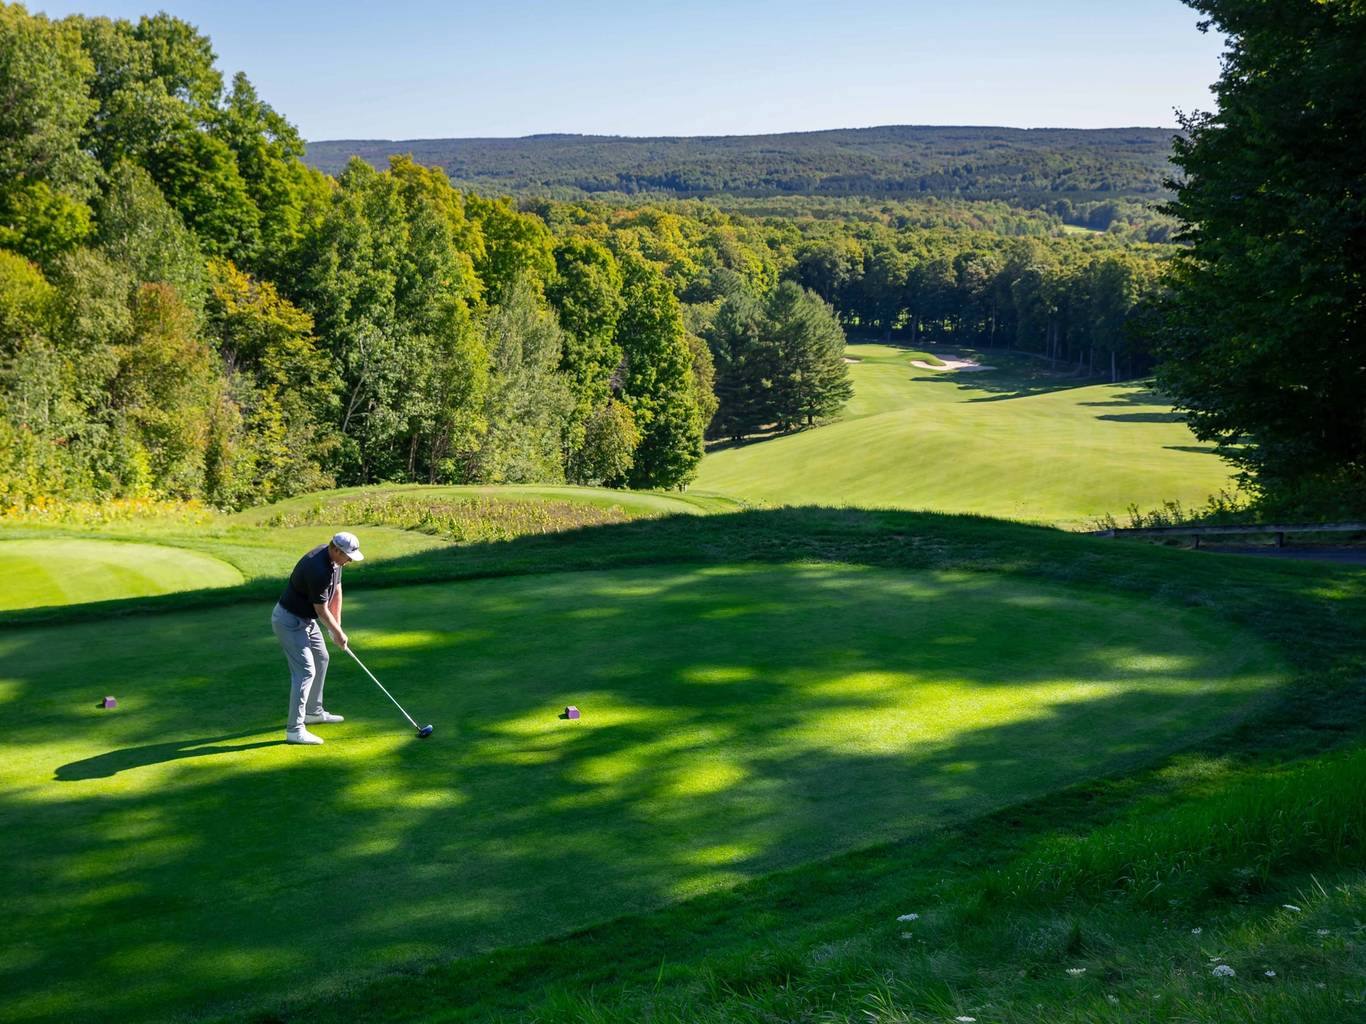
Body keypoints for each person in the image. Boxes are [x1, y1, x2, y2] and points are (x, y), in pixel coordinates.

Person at [272, 531, 364, 745]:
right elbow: (321, 609)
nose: (350, 560)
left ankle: (313, 711)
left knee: (322, 658)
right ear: (335, 550)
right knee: (305, 672)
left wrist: (337, 628)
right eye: (348, 556)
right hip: (289, 621)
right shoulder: (318, 568)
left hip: (306, 619)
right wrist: (338, 634)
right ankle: (294, 730)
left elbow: (337, 590)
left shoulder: (335, 562)